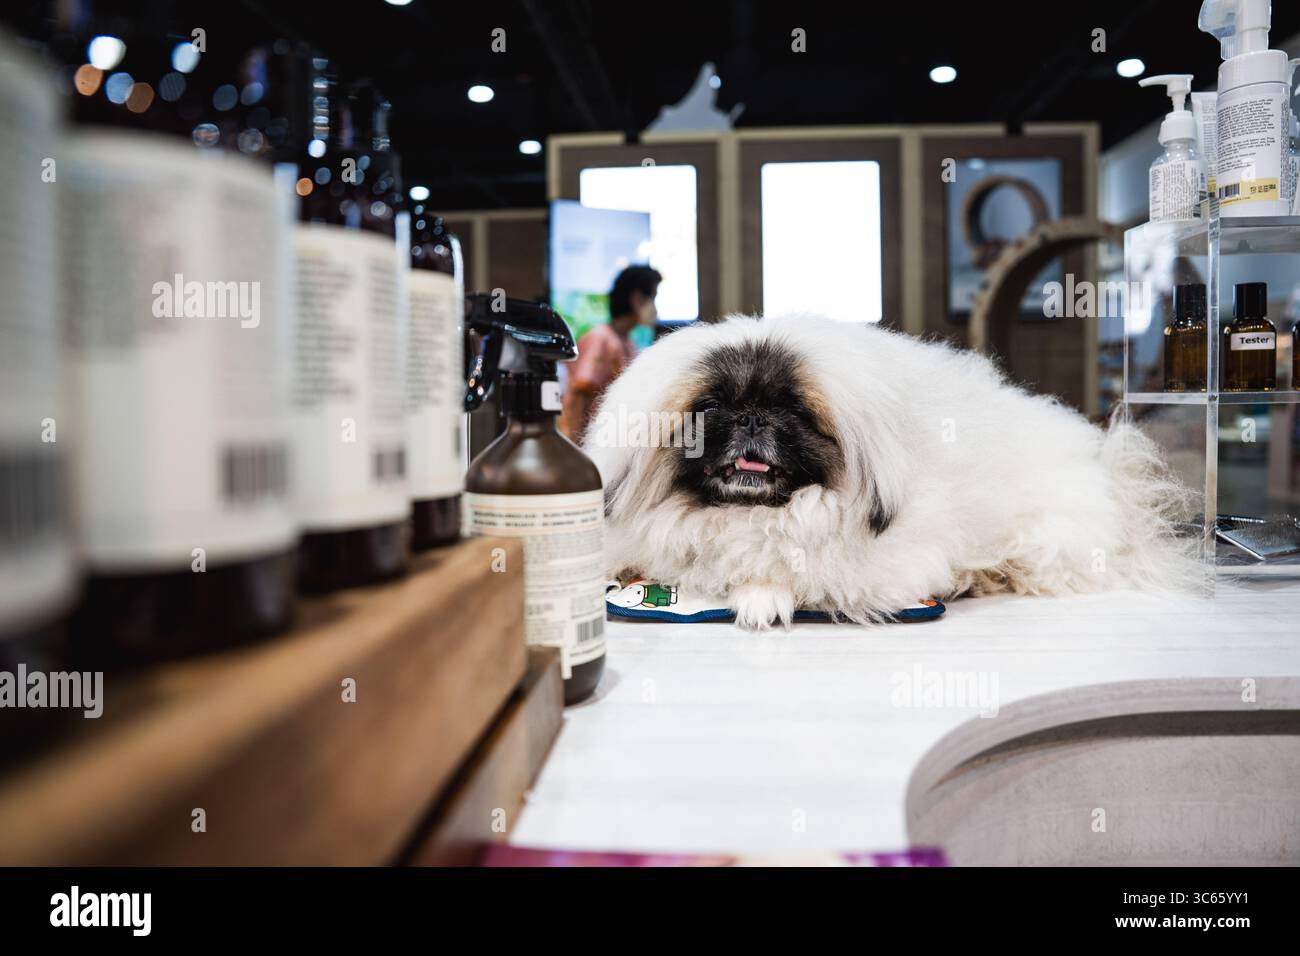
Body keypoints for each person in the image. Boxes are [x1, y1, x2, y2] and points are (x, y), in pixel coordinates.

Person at [560, 265, 661, 440]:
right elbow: (579, 394)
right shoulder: (600, 339)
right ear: (637, 300)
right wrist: (576, 445)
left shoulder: (628, 343)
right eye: (653, 298)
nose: (655, 307)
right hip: (589, 444)